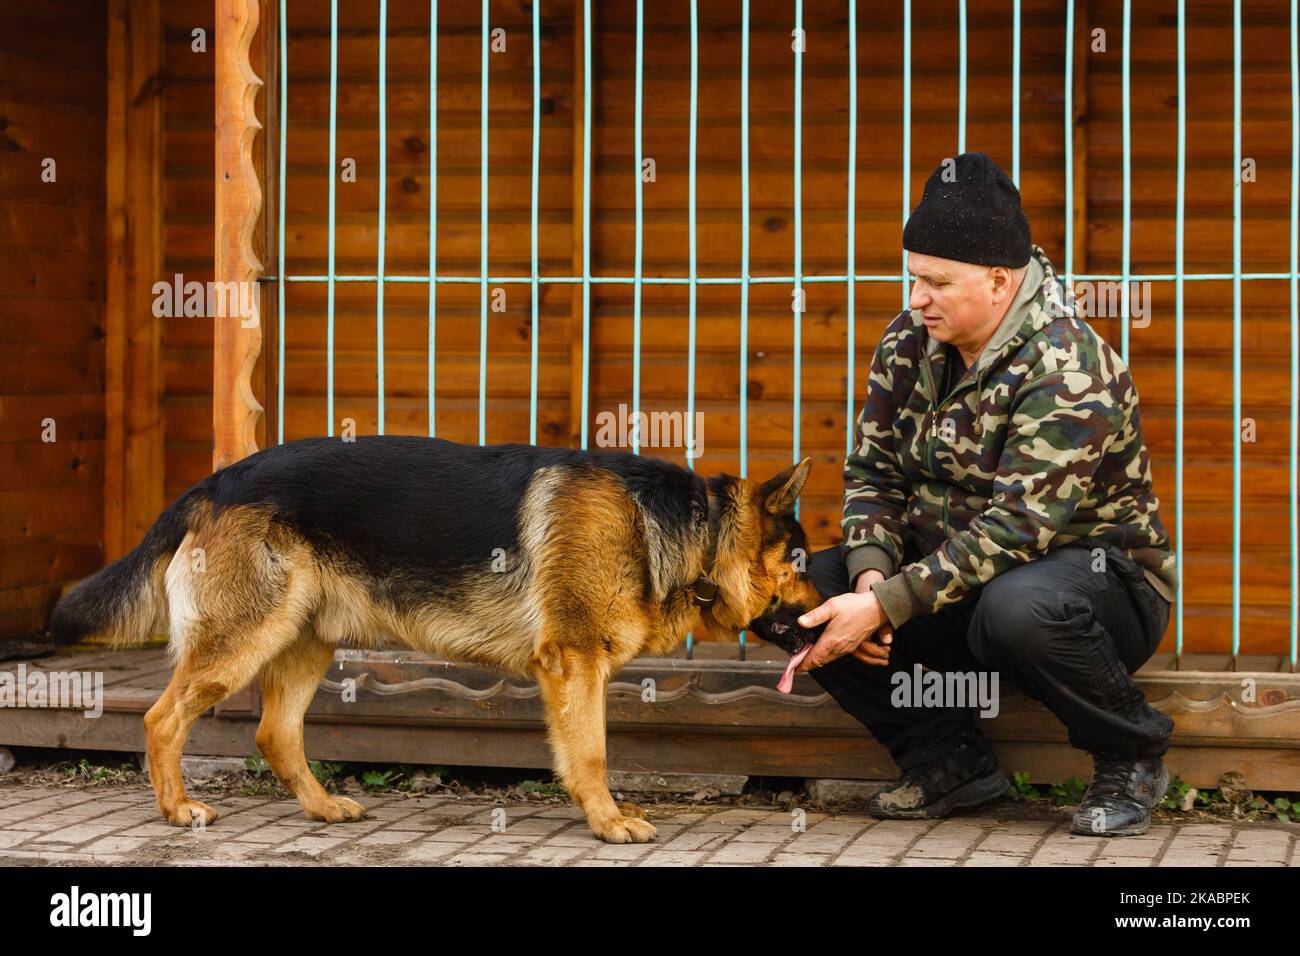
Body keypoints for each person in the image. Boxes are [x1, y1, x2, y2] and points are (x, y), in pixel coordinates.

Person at [795, 152, 1178, 837]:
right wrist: (870, 575)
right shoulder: (909, 341)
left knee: (1020, 604)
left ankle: (1131, 752)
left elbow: (1018, 529)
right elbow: (873, 471)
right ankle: (948, 760)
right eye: (914, 279)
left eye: (937, 283)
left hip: (1095, 588)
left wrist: (885, 603)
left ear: (1001, 281)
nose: (916, 300)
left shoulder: (1066, 364)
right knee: (789, 591)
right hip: (950, 585)